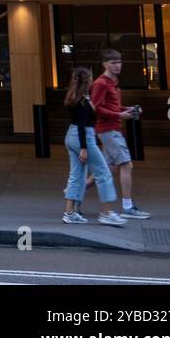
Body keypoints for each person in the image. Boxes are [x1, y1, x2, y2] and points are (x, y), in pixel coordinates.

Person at [90, 50, 151, 219]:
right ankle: (128, 206)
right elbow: (95, 107)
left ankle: (73, 196)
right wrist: (119, 115)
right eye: (113, 62)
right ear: (104, 64)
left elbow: (110, 106)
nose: (118, 65)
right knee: (126, 165)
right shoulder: (101, 83)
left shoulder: (113, 82)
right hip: (108, 129)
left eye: (119, 62)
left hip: (113, 129)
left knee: (106, 170)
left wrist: (126, 109)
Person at [61, 67, 125, 227]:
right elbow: (83, 125)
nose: (92, 81)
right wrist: (84, 148)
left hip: (71, 136)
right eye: (90, 78)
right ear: (87, 80)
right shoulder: (83, 101)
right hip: (84, 138)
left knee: (76, 175)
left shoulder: (76, 97)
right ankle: (107, 213)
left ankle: (69, 213)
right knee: (103, 173)